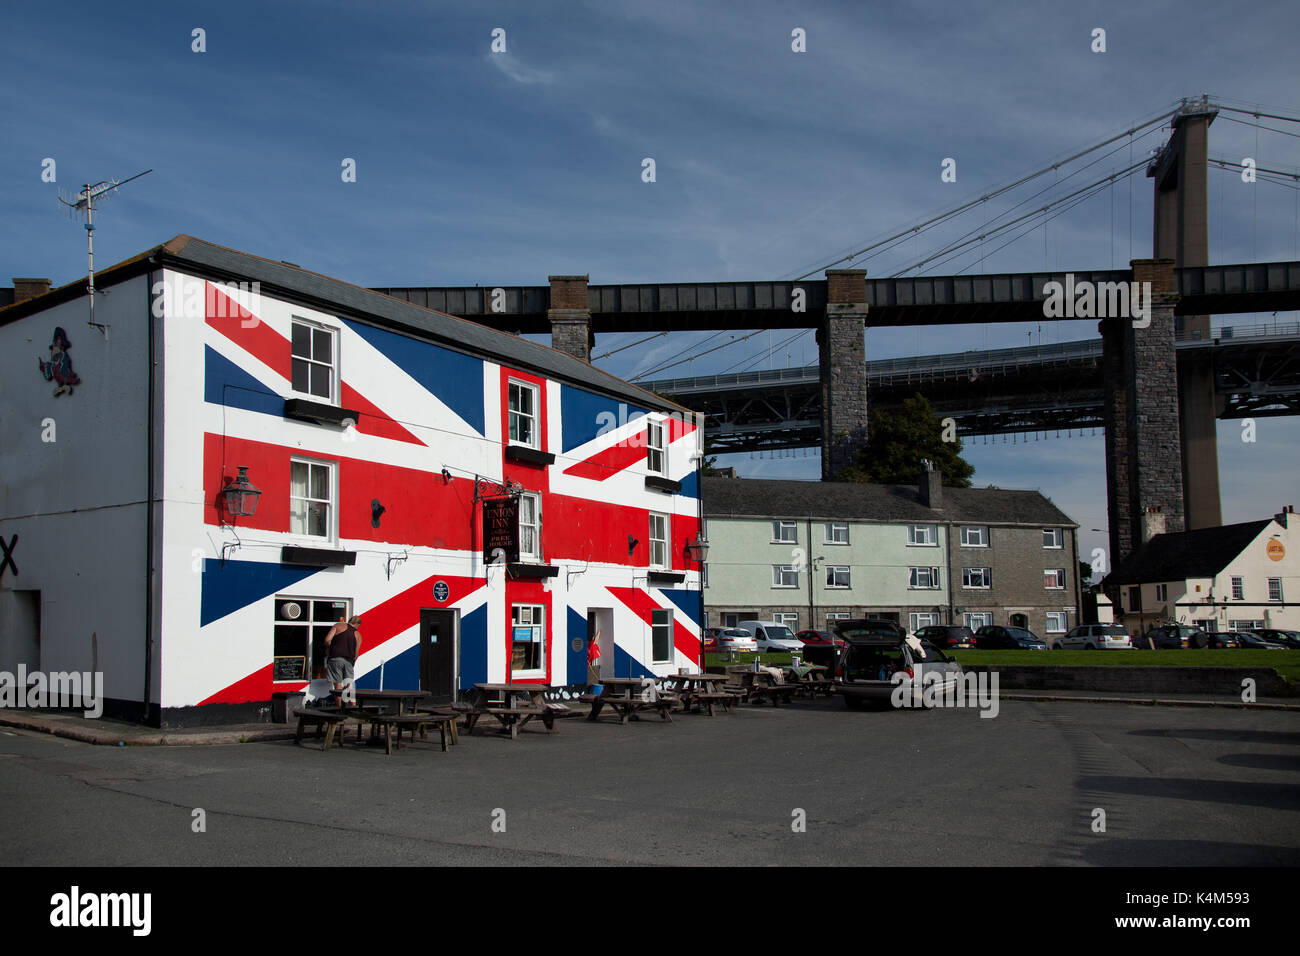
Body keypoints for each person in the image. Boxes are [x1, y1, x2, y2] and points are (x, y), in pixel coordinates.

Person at [324, 615, 363, 705]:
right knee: (348, 683)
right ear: (358, 625)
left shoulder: (338, 626)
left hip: (335, 658)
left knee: (337, 683)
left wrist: (331, 647)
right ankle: (352, 705)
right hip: (349, 661)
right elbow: (356, 655)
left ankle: (340, 707)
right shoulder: (358, 635)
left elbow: (327, 640)